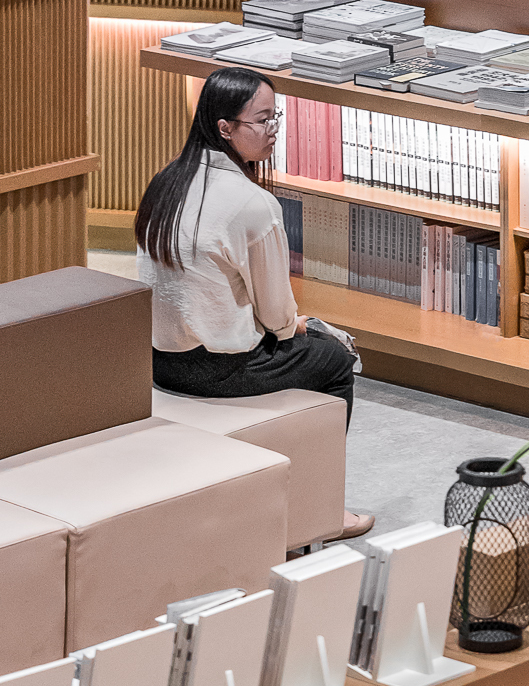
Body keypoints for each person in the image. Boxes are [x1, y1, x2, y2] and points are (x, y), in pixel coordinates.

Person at [135, 64, 373, 541]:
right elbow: (279, 319)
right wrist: (302, 326)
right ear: (225, 128)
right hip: (219, 368)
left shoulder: (166, 182)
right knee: (334, 360)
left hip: (158, 361)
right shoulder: (252, 204)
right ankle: (320, 509)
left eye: (275, 117)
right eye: (262, 121)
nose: (273, 130)